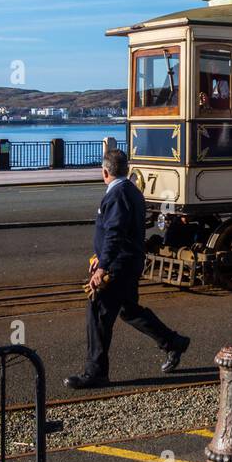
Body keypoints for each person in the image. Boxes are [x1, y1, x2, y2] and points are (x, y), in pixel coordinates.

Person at [65, 149, 191, 389]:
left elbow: (114, 233)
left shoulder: (118, 194)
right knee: (129, 310)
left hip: (118, 266)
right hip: (128, 262)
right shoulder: (132, 191)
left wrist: (103, 266)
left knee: (98, 313)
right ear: (127, 169)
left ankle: (96, 372)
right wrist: (99, 257)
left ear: (104, 172)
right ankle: (173, 342)